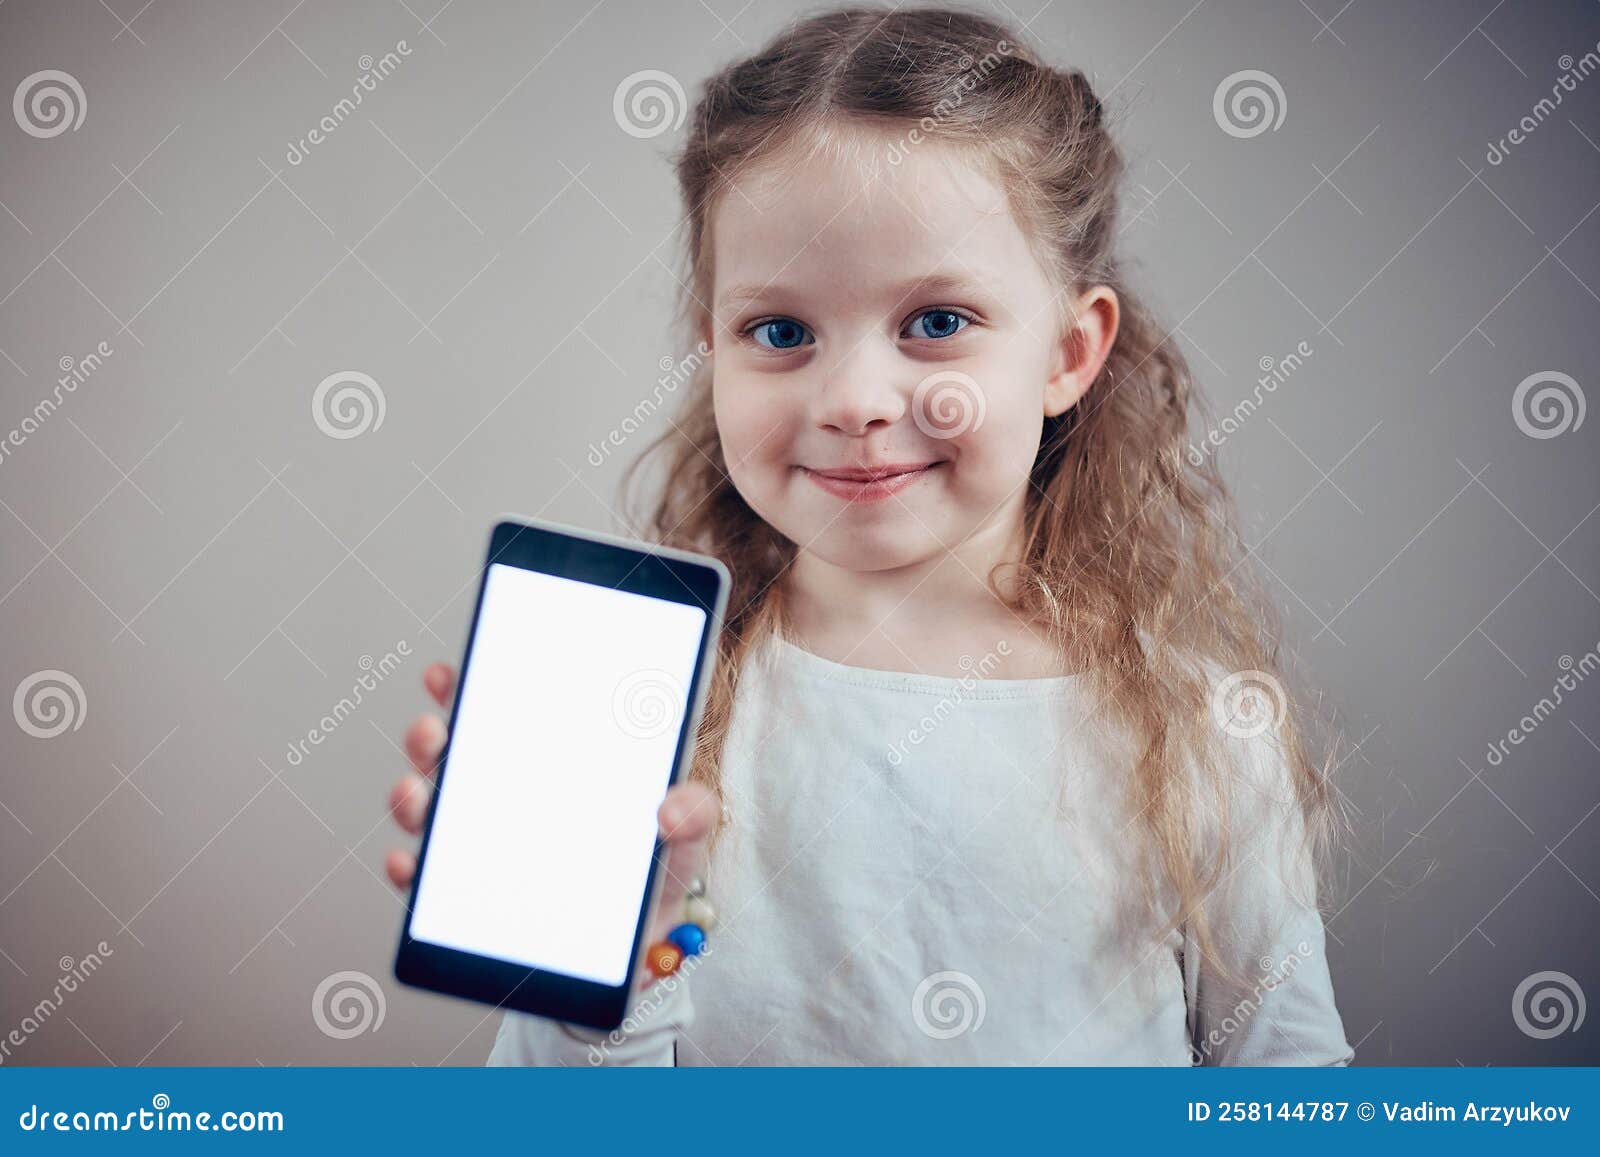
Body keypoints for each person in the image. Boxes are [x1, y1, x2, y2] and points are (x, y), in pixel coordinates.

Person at [384, 4, 1354, 1066]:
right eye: (781, 331)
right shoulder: (654, 725)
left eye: (936, 321)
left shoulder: (1199, 735)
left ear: (1069, 353)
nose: (852, 398)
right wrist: (610, 979)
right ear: (712, 351)